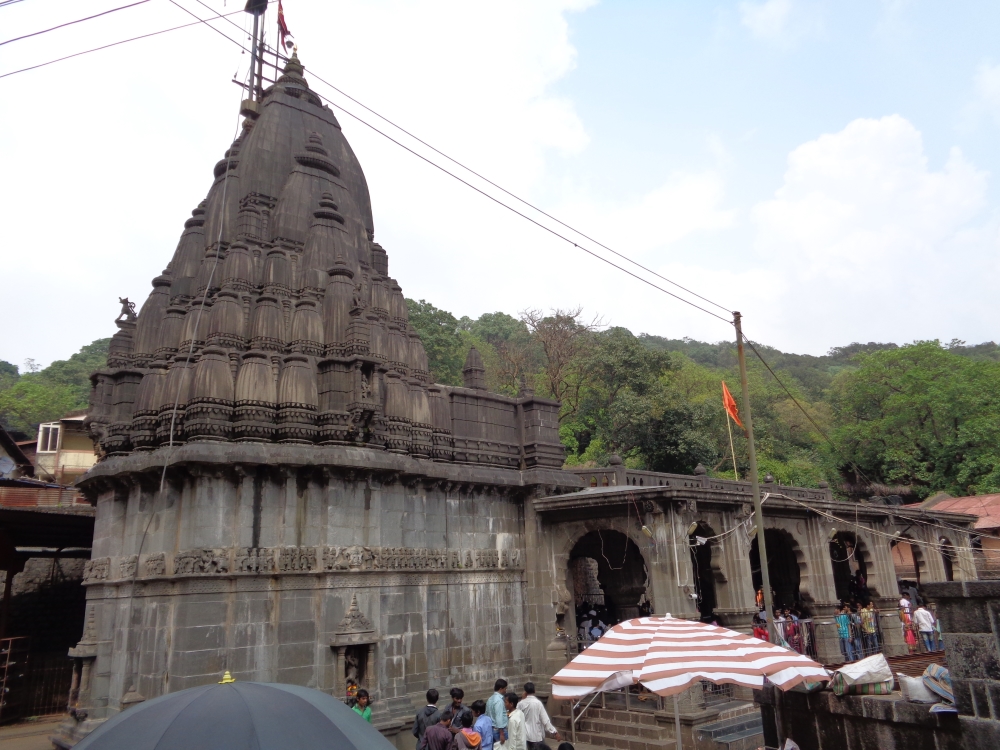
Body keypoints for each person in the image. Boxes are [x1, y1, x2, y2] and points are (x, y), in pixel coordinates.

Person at [519, 682, 560, 749]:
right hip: (536, 736)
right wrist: (554, 732)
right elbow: (545, 720)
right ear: (534, 691)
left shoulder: (521, 703)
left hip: (525, 736)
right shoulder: (538, 703)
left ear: (525, 692)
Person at [486, 679, 509, 745]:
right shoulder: (499, 701)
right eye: (505, 689)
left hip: (492, 729)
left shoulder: (490, 699)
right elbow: (499, 717)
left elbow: (487, 714)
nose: (505, 691)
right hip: (499, 730)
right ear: (501, 689)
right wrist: (501, 734)